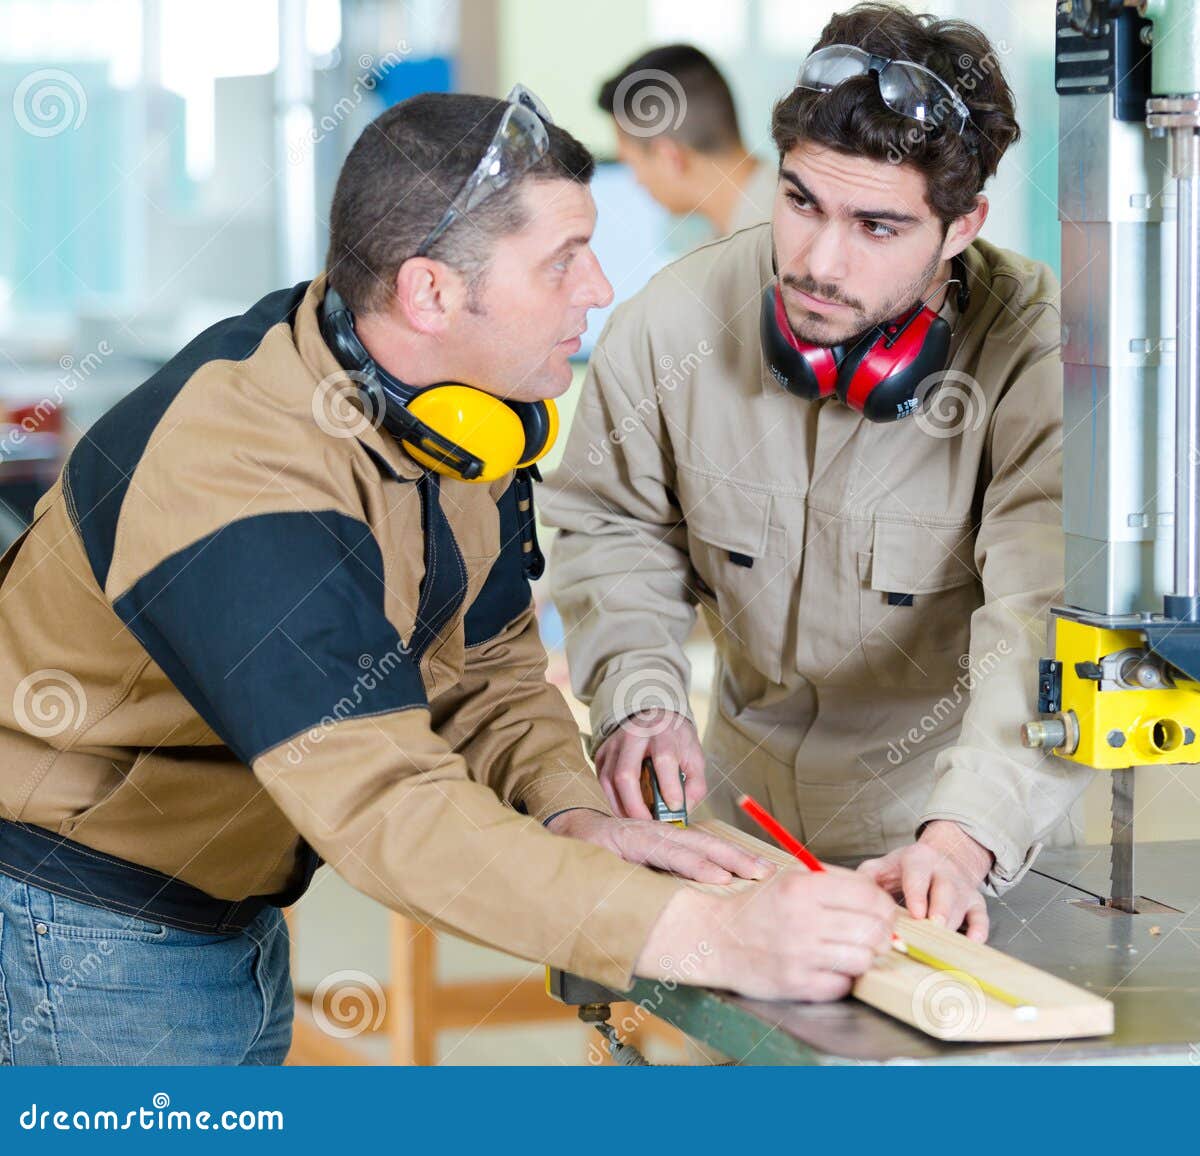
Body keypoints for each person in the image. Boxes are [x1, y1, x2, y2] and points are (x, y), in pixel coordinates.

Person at [0, 88, 895, 1066]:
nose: (598, 288)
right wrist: (712, 932)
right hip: (80, 920)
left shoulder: (456, 414)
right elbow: (390, 805)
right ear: (429, 293)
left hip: (225, 906)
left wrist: (575, 813)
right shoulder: (238, 473)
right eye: (562, 261)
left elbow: (491, 667)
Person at [544, 4, 1088, 946]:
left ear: (962, 227)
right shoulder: (669, 324)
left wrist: (962, 843)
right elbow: (611, 527)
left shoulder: (1039, 357)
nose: (820, 263)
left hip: (963, 832)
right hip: (740, 823)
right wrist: (640, 694)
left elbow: (1043, 616)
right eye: (800, 203)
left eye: (878, 226)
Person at [599, 44, 778, 236]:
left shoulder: (772, 244)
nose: (637, 181)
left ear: (668, 157)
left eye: (631, 163)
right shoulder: (747, 228)